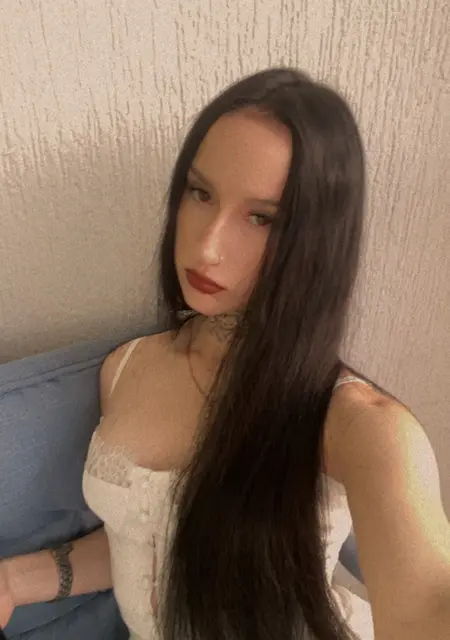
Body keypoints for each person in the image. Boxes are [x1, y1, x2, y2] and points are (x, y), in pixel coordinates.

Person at [1, 67, 450, 640]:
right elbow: (144, 539)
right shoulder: (126, 368)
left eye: (262, 218)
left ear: (316, 243)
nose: (207, 247)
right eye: (201, 192)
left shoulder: (357, 424)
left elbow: (426, 601)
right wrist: (14, 581)